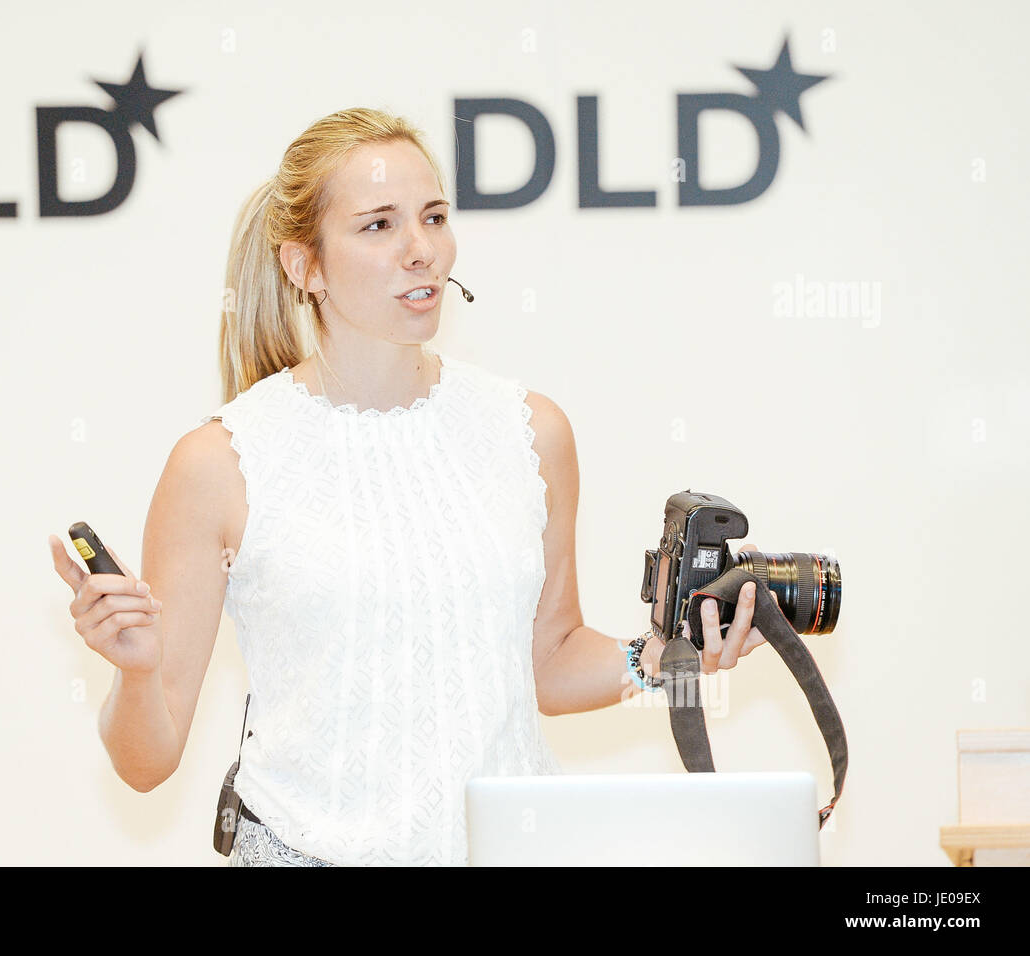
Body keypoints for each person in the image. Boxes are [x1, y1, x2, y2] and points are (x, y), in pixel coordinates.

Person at [48, 106, 778, 866]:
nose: (421, 250)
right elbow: (145, 763)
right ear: (305, 265)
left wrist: (662, 659)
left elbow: (549, 658)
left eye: (433, 217)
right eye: (379, 226)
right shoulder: (218, 464)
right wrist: (133, 673)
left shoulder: (532, 432)